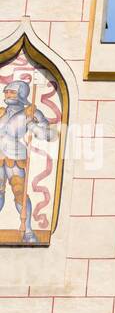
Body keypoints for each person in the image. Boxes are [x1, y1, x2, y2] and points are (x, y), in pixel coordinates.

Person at [0, 79, 53, 243]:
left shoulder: (30, 112)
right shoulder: (0, 111)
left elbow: (50, 135)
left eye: (12, 92)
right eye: (6, 91)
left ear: (21, 94)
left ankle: (28, 230)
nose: (7, 94)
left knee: (19, 193)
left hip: (15, 156)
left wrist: (33, 126)